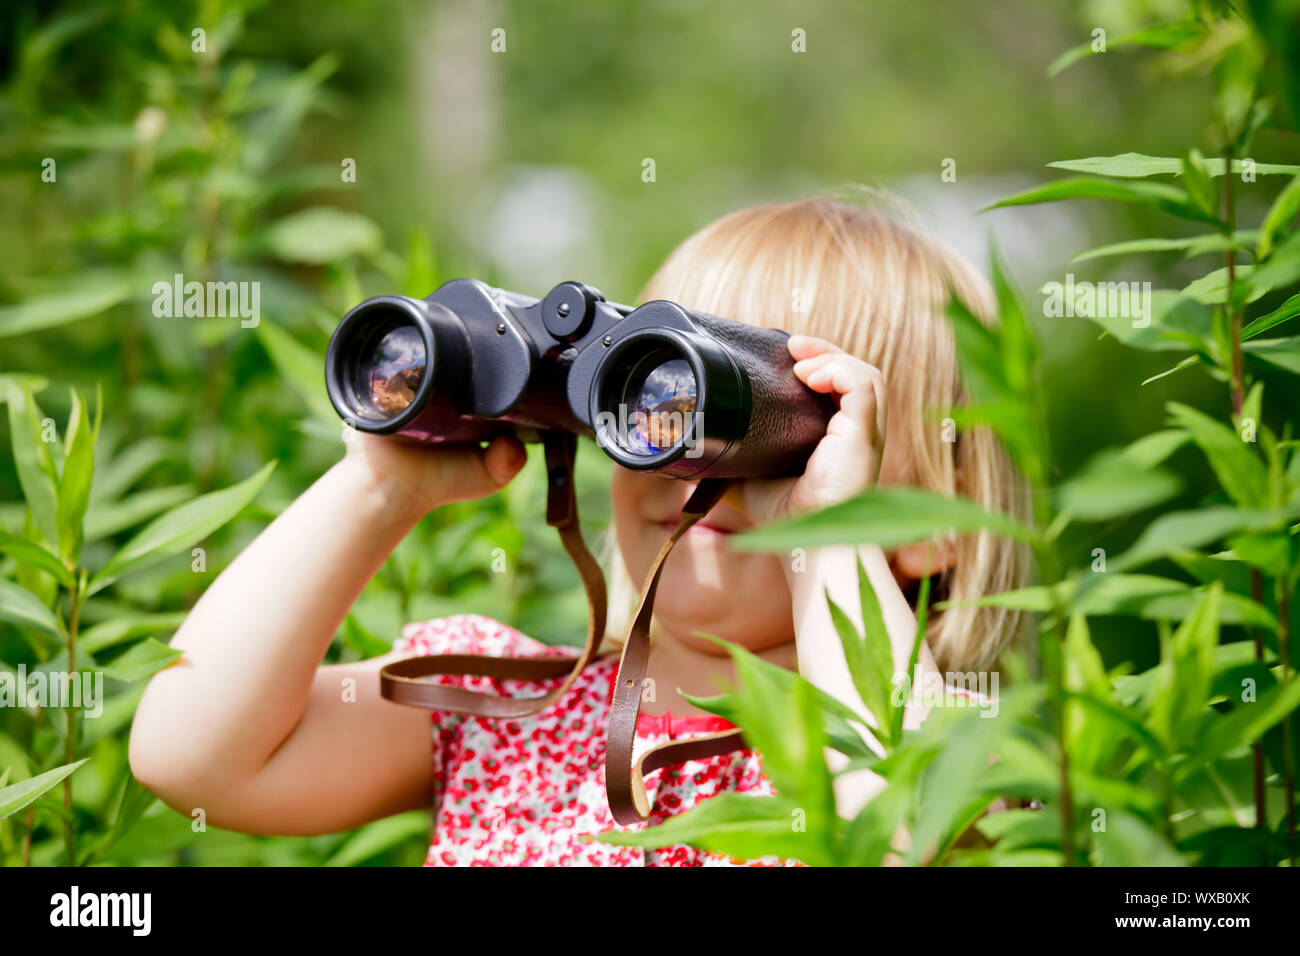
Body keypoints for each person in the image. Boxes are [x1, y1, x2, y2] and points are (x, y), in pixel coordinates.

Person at [129, 197, 1028, 866]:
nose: (695, 460)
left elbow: (916, 830)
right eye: (656, 387)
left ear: (940, 520)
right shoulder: (507, 714)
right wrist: (378, 486)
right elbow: (193, 755)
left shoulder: (975, 746)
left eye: (782, 419)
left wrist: (828, 533)